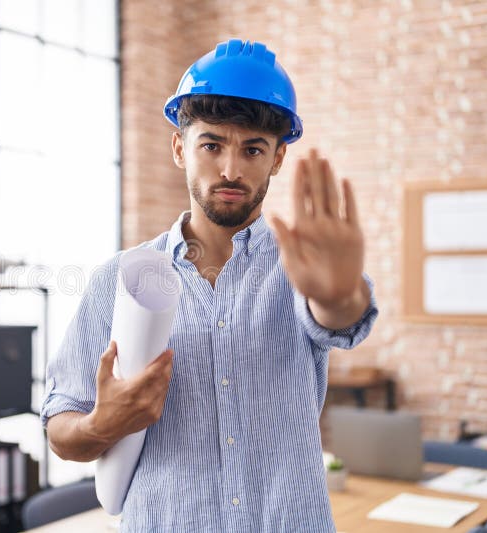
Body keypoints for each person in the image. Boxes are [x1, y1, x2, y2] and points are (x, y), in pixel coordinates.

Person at [41, 39, 378, 532]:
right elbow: (60, 431)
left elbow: (339, 315)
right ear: (180, 148)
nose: (231, 169)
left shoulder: (302, 265)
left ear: (278, 159)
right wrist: (101, 424)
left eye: (253, 149)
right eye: (212, 144)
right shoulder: (118, 280)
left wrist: (337, 292)